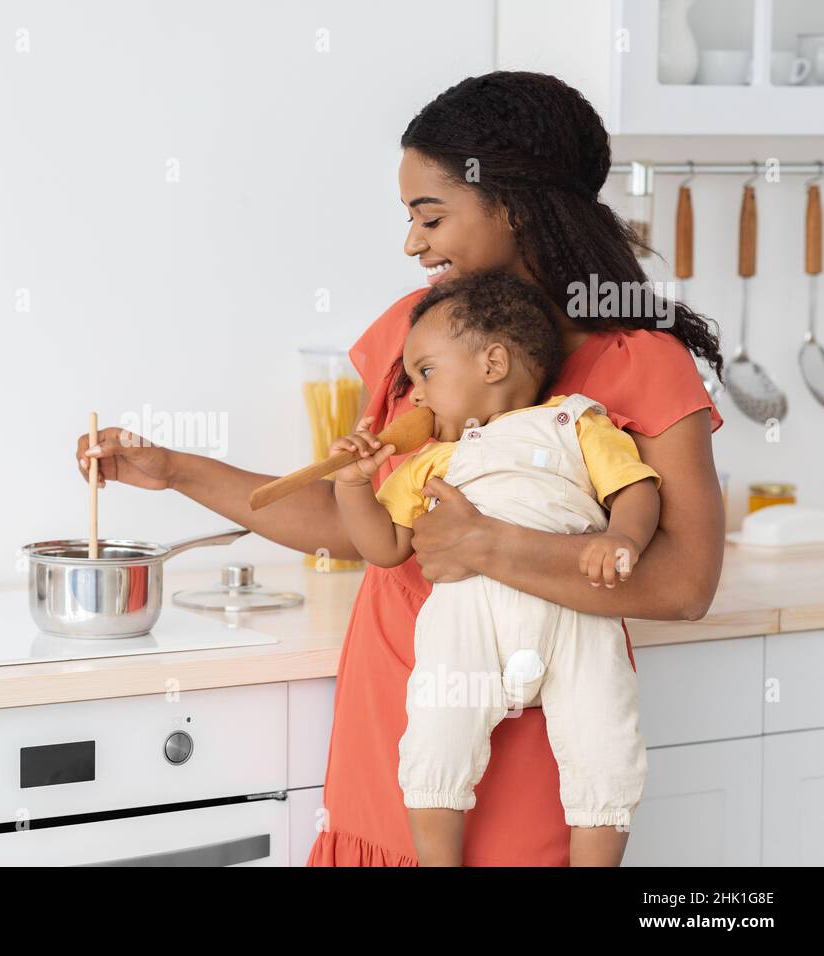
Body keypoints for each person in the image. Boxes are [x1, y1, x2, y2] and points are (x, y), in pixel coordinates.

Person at [75, 71, 725, 866]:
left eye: (431, 215)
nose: (413, 242)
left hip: (538, 751)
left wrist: (488, 546)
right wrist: (175, 468)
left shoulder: (638, 363)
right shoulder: (414, 337)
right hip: (395, 718)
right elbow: (358, 524)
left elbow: (686, 583)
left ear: (513, 206)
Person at [328, 271, 658, 866]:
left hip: (576, 610)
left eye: (426, 372)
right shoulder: (429, 463)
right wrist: (353, 487)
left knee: (607, 745)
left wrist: (620, 538)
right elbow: (384, 547)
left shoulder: (576, 423)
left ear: (494, 363)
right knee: (436, 737)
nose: (417, 395)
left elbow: (633, 486)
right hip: (466, 616)